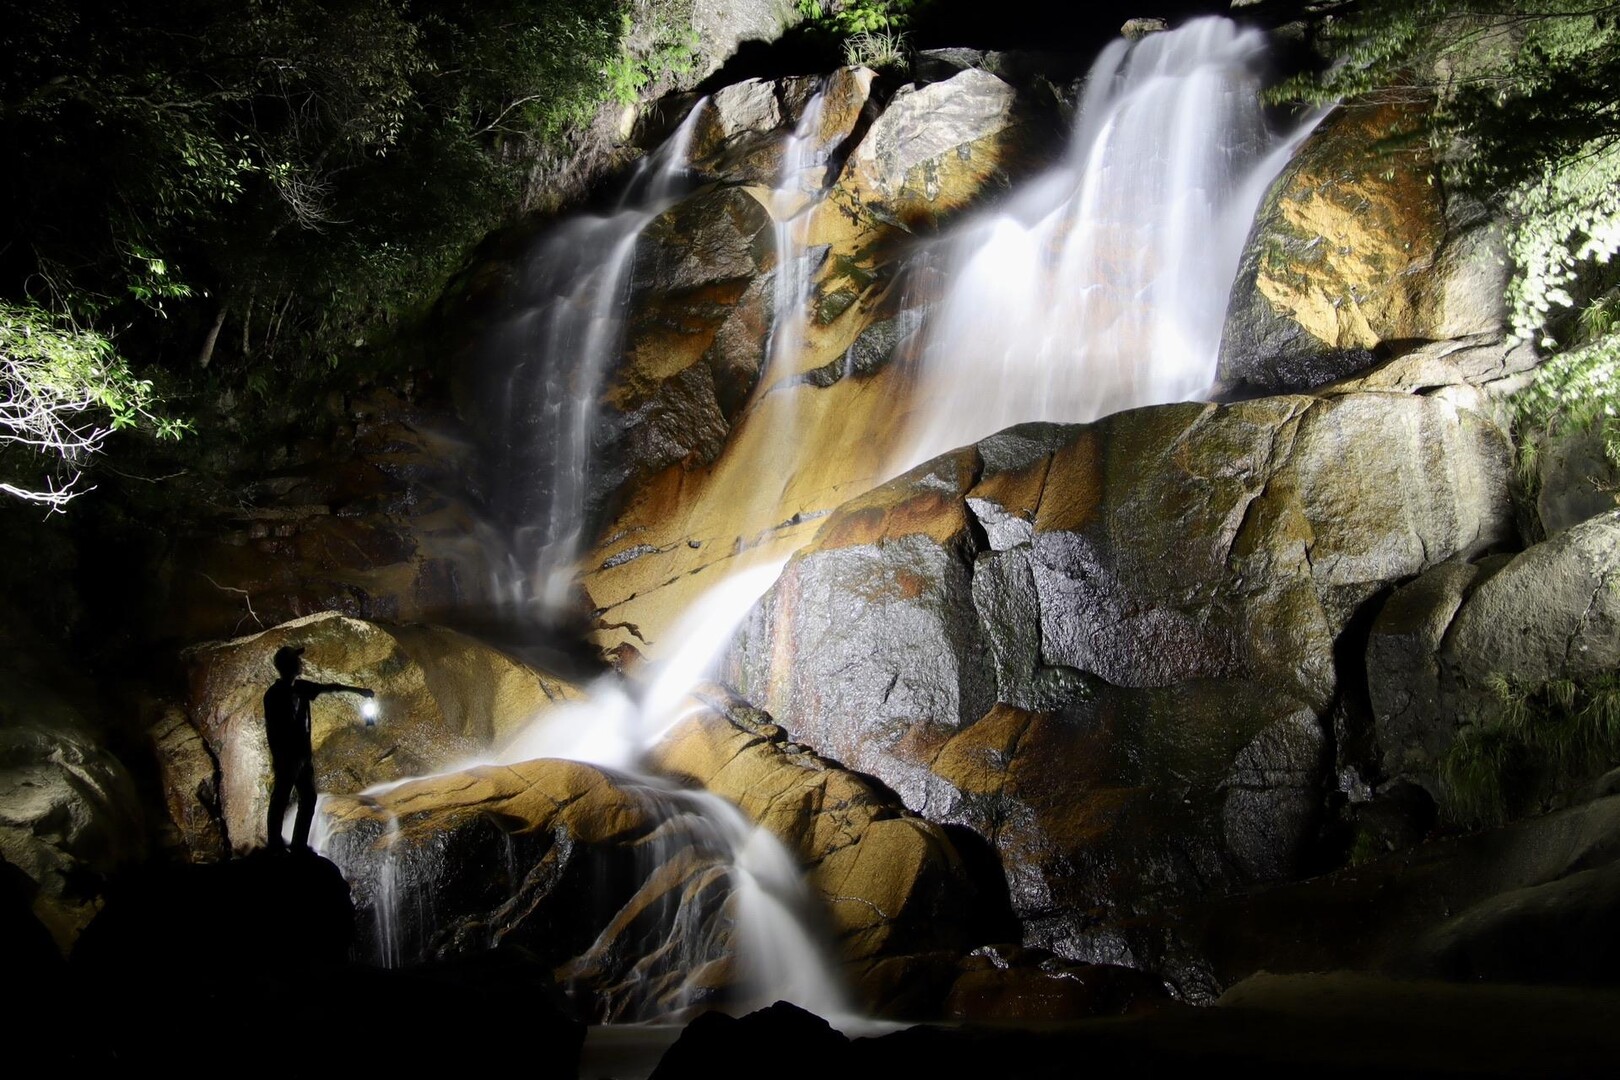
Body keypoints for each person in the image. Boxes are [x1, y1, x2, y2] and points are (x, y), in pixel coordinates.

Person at [263, 645, 375, 853]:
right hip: (288, 756)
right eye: (297, 660)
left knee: (308, 798)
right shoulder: (275, 694)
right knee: (281, 796)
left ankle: (298, 844)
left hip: (303, 756)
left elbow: (331, 687)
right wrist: (280, 756)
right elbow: (274, 729)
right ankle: (275, 843)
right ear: (289, 665)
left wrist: (358, 691)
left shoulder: (300, 687)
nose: (301, 663)